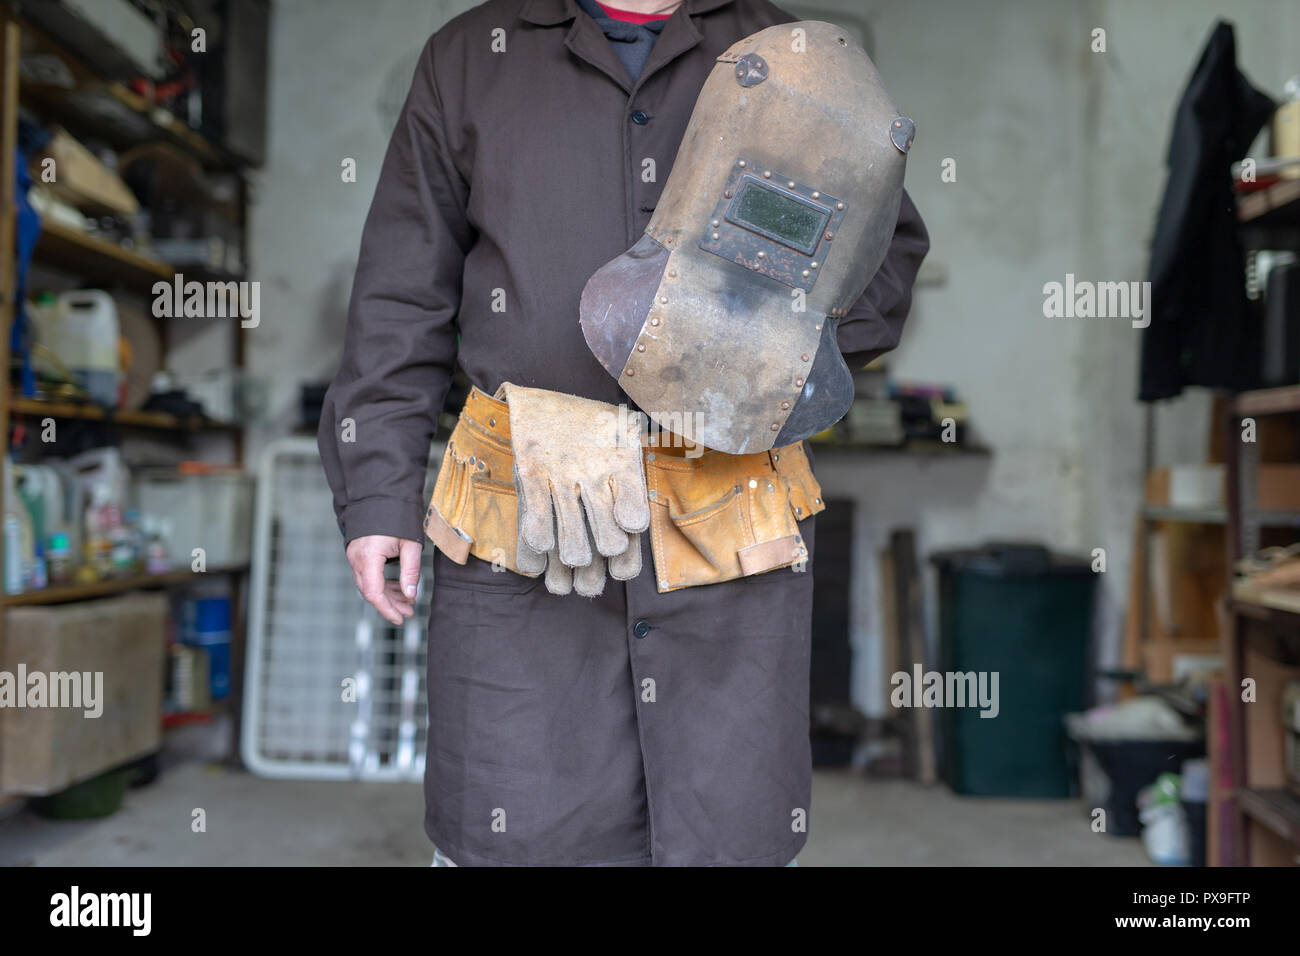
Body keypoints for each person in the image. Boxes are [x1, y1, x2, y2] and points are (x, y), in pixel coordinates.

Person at [319, 0, 929, 867]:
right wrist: (377, 490)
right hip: (521, 526)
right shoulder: (470, 58)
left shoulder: (798, 59)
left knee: (725, 835)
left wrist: (752, 372)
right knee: (515, 832)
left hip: (726, 537)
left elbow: (882, 268)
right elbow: (400, 293)